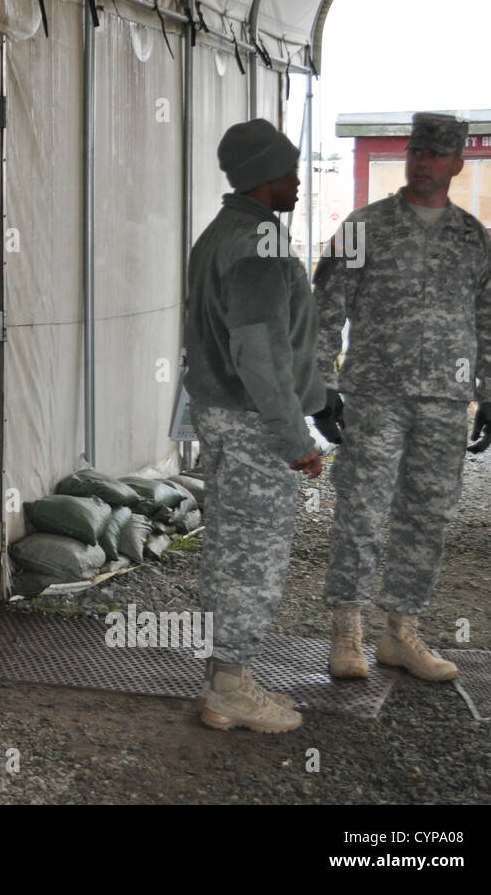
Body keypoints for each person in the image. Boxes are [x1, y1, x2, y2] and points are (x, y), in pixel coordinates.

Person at [313, 112, 491, 682]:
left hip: (445, 403)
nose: (422, 164)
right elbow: (326, 309)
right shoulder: (363, 227)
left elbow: (490, 320)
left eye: (435, 156)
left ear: (456, 164)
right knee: (362, 511)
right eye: (416, 153)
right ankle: (346, 631)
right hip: (375, 396)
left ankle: (401, 633)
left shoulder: (471, 236)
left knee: (427, 516)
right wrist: (321, 386)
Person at [184, 118, 329, 733]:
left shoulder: (220, 233)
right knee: (255, 557)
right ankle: (229, 691)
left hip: (223, 416)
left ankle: (230, 676)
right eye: (290, 172)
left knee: (227, 549)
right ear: (264, 177)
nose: (297, 183)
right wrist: (296, 439)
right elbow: (259, 352)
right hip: (254, 425)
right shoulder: (258, 244)